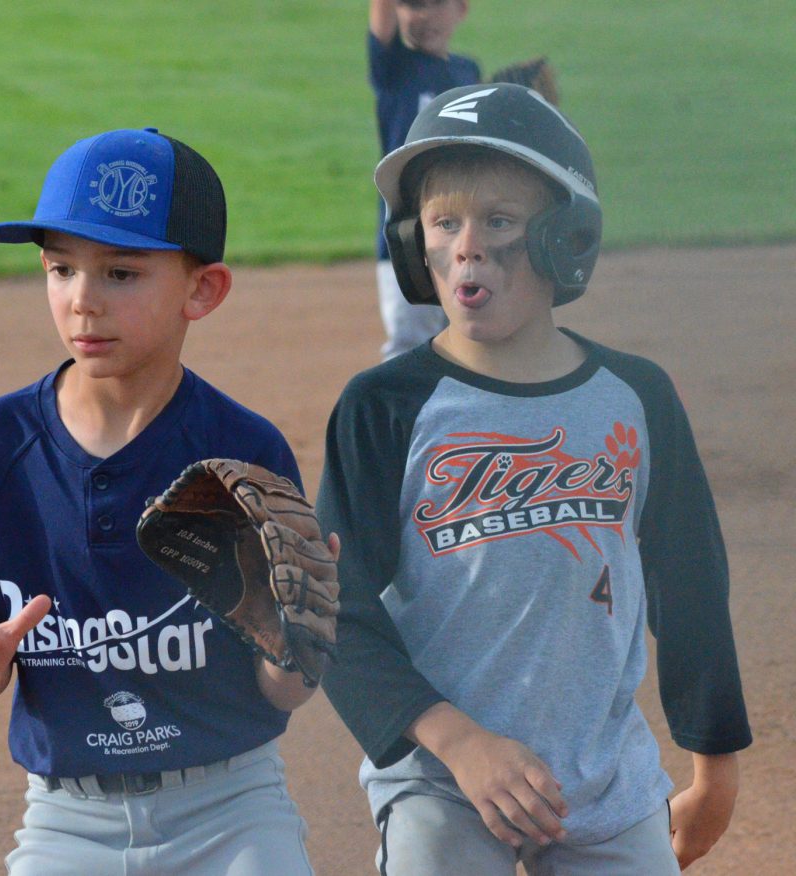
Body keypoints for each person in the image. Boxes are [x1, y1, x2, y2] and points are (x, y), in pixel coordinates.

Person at [317, 83, 752, 875]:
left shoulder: (636, 397)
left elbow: (689, 581)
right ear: (416, 243)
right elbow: (336, 610)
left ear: (566, 238)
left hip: (603, 776)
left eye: (501, 222)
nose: (466, 248)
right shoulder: (385, 407)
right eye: (444, 223)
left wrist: (713, 765)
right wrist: (459, 741)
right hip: (443, 778)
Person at [0, 128, 327, 875]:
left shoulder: (241, 453)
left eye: (120, 272)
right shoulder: (0, 441)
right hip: (64, 816)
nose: (83, 300)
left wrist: (299, 645)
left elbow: (283, 690)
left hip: (230, 806)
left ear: (201, 290)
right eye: (60, 269)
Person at [369, 0, 479, 360]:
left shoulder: (468, 72)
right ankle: (396, 418)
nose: (424, 16)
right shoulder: (394, 66)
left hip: (464, 232)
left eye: (436, 5)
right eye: (413, 5)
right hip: (405, 234)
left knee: (470, 341)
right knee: (408, 349)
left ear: (461, 9)